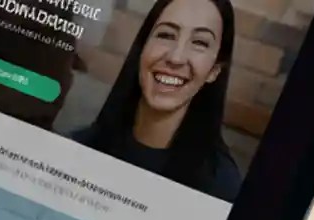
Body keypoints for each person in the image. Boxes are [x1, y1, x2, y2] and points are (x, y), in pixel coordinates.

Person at [70, 0, 242, 202]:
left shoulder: (221, 187)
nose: (176, 58)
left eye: (199, 43)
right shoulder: (77, 149)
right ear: (142, 48)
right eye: (166, 35)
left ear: (214, 70)